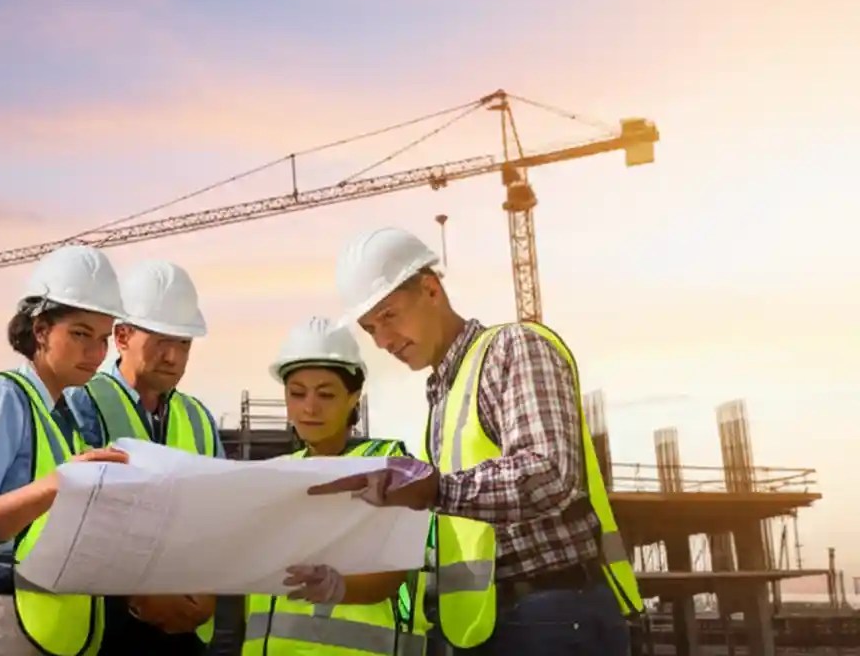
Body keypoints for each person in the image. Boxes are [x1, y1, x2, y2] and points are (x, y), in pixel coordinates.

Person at [307, 226, 644, 655]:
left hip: (553, 614)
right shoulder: (444, 395)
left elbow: (548, 472)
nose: (384, 341)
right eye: (370, 328)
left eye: (389, 316)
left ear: (430, 290)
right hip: (493, 622)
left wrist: (436, 488)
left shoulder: (513, 348)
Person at [0, 245, 132, 656]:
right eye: (80, 334)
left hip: (42, 629)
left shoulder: (64, 421)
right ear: (39, 330)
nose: (96, 353)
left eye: (103, 338)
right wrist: (58, 485)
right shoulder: (0, 397)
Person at [61, 259, 223, 656]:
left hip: (184, 629)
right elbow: (69, 518)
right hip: (106, 626)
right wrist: (137, 597)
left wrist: (206, 593)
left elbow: (219, 519)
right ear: (122, 337)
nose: (172, 356)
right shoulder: (80, 403)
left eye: (183, 343)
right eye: (161, 341)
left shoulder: (198, 418)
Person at [243, 316, 426, 656]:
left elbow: (396, 572)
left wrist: (339, 588)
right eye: (297, 394)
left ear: (354, 397)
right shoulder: (272, 476)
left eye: (326, 394)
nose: (309, 408)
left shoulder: (387, 464)